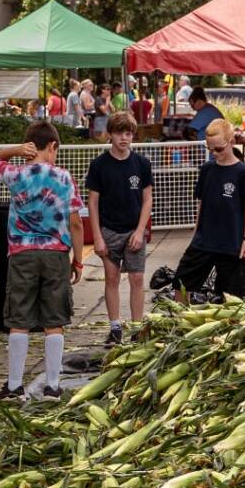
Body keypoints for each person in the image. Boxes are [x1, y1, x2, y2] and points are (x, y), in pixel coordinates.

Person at [0, 121, 85, 401]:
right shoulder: (64, 178)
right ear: (52, 146)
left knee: (19, 319)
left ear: (30, 147)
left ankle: (14, 385)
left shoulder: (17, 175)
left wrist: (16, 150)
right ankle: (53, 386)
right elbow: (76, 222)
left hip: (21, 253)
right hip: (56, 254)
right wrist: (78, 260)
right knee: (54, 320)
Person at [86, 111, 153, 346]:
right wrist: (97, 236)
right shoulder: (99, 165)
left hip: (134, 229)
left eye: (128, 133)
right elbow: (92, 202)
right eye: (119, 133)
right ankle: (115, 326)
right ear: (110, 135)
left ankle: (136, 327)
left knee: (137, 278)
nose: (124, 138)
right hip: (109, 230)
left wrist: (140, 230)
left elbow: (147, 200)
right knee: (111, 277)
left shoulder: (142, 163)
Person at [173, 118, 245, 302]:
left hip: (231, 243)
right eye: (209, 149)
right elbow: (201, 203)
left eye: (219, 149)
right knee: (181, 282)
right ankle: (179, 319)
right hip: (205, 240)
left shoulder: (242, 172)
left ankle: (229, 327)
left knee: (233, 294)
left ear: (232, 142)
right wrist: (195, 233)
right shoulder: (207, 169)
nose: (214, 154)